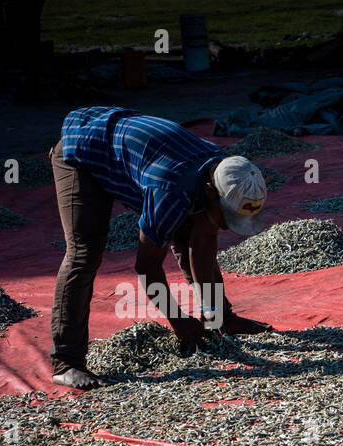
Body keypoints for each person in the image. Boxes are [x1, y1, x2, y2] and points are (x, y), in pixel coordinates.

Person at [49, 106, 274, 390]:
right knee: (85, 253)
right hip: (84, 149)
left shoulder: (225, 170)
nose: (229, 227)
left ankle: (222, 319)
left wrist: (213, 314)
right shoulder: (170, 190)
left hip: (133, 151)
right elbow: (147, 266)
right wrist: (179, 321)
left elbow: (202, 243)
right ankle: (66, 361)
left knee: (191, 228)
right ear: (209, 191)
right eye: (228, 218)